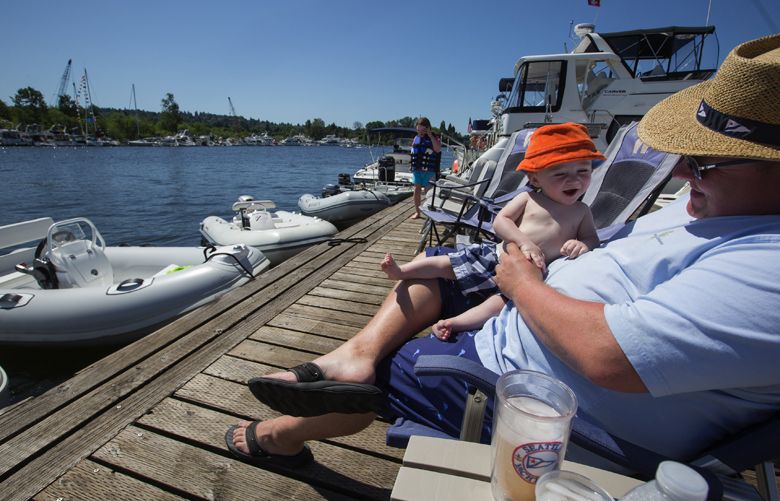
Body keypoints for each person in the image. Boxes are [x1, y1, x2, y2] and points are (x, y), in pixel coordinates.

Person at [227, 34, 780, 469]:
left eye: (706, 163)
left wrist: (521, 286)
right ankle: (354, 356)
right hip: (520, 324)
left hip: (514, 394)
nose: (682, 172)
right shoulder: (727, 217)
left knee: (361, 386)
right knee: (428, 285)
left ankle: (279, 436)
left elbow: (609, 357)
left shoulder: (768, 270)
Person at [381, 122, 603, 340]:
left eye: (583, 170)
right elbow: (501, 222)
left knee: (497, 306)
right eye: (559, 173)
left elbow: (592, 238)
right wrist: (524, 242)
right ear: (535, 178)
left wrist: (583, 245)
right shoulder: (529, 198)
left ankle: (453, 323)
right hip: (497, 256)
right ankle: (402, 271)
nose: (574, 179)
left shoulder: (582, 211)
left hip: (528, 277)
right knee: (447, 264)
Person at [409, 117, 442, 219]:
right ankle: (418, 212)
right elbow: (413, 151)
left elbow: (437, 149)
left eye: (423, 130)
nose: (421, 132)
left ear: (428, 128)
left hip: (429, 171)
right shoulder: (416, 138)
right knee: (416, 191)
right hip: (417, 170)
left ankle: (429, 215)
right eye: (418, 130)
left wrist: (430, 136)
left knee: (429, 193)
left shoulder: (434, 138)